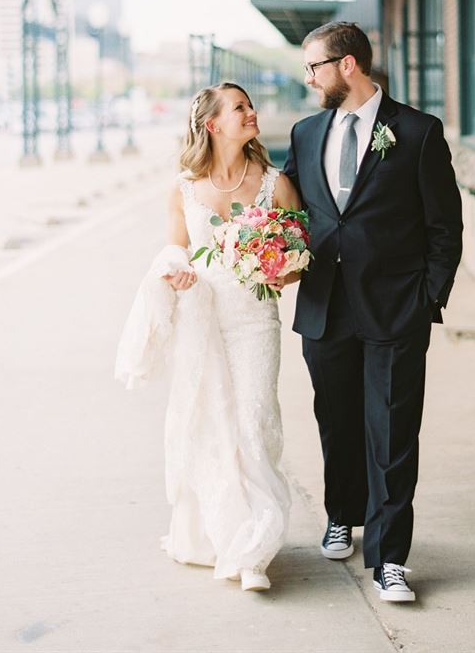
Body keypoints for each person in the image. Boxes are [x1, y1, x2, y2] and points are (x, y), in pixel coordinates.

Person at [278, 22, 463, 603]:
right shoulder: (306, 134)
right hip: (325, 307)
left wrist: (427, 298)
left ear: (348, 65)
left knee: (393, 434)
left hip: (395, 310)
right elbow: (281, 206)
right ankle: (342, 512)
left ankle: (389, 559)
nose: (308, 78)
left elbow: (444, 225)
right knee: (336, 422)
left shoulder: (417, 132)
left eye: (314, 67)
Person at [115, 82, 300, 591]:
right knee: (211, 422)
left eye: (250, 105)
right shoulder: (183, 188)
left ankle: (254, 549)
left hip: (255, 321)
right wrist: (176, 273)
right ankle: (228, 540)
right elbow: (175, 249)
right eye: (240, 107)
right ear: (213, 124)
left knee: (254, 422)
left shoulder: (275, 184)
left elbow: (296, 258)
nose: (252, 112)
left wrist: (280, 268)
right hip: (205, 318)